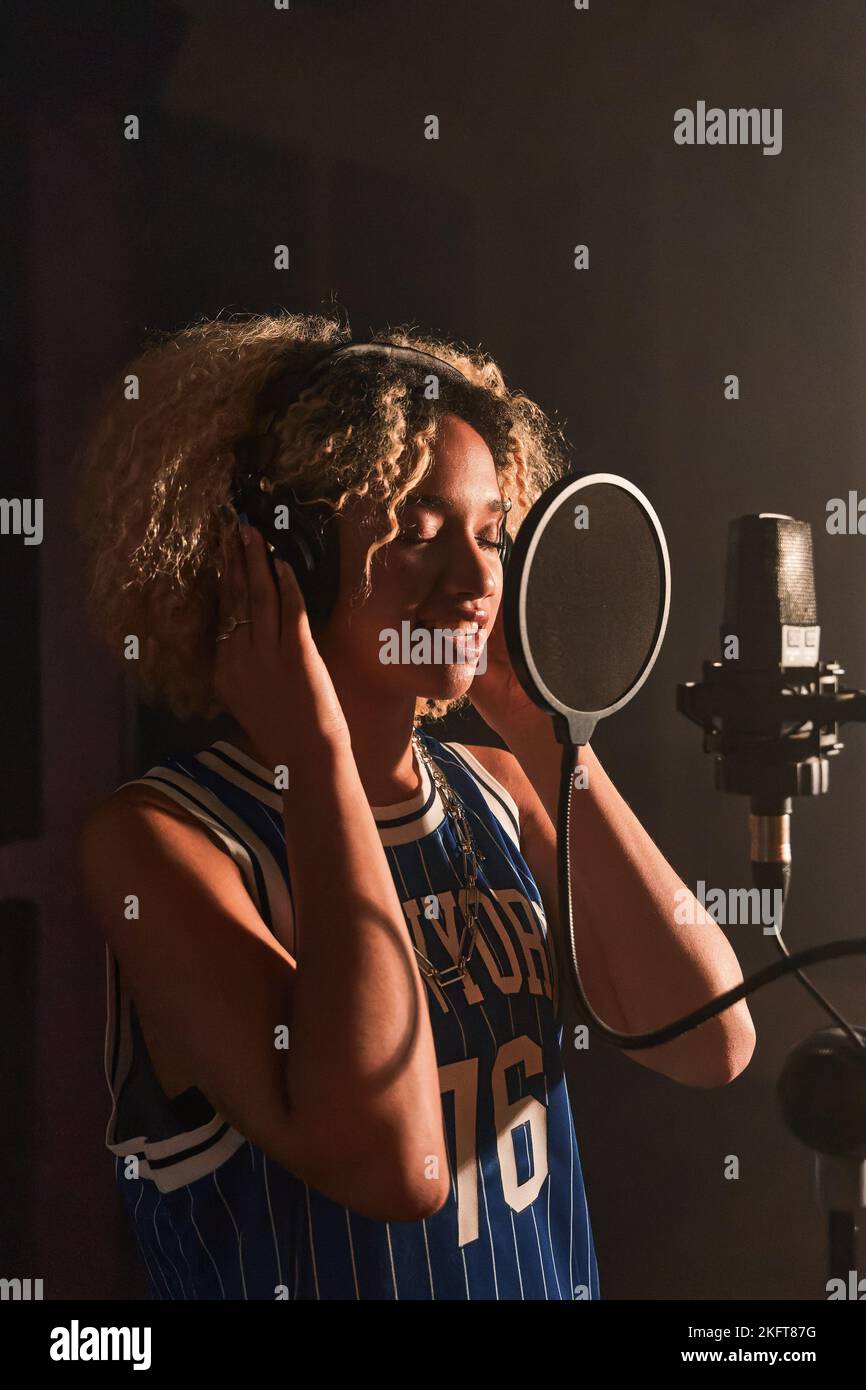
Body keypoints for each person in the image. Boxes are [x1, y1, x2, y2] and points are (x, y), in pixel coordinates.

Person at [75, 312, 756, 1300]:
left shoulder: (497, 785)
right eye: (417, 531)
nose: (481, 577)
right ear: (287, 557)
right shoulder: (166, 841)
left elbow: (710, 1039)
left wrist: (538, 726)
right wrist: (317, 756)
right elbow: (396, 1168)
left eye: (490, 534)